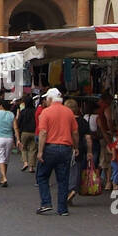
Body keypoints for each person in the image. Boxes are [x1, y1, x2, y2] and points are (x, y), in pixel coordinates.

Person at [35, 87, 79, 215]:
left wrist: (40, 151)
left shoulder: (46, 113)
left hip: (50, 147)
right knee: (63, 179)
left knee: (42, 176)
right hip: (66, 148)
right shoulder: (69, 112)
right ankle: (62, 208)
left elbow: (43, 132)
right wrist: (76, 147)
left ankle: (46, 203)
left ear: (50, 99)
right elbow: (75, 132)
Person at [96, 92, 117, 190]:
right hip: (107, 135)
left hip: (101, 135)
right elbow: (109, 120)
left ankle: (100, 180)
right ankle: (108, 182)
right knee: (109, 158)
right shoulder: (106, 107)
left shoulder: (98, 108)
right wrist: (112, 130)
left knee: (102, 158)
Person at [16, 94, 38, 172]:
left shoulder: (23, 112)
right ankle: (31, 167)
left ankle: (25, 162)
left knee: (23, 148)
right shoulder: (35, 111)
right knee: (33, 149)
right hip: (34, 132)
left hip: (24, 132)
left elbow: (18, 122)